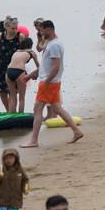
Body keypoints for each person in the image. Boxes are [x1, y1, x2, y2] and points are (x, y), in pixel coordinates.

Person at [23, 19, 85, 147]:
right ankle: (77, 131)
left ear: (49, 29)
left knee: (37, 109)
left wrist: (46, 81)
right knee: (57, 109)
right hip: (52, 82)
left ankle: (33, 141)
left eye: (42, 31)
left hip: (49, 83)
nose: (40, 33)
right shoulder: (51, 44)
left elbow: (56, 66)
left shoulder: (54, 45)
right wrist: (30, 75)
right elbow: (46, 66)